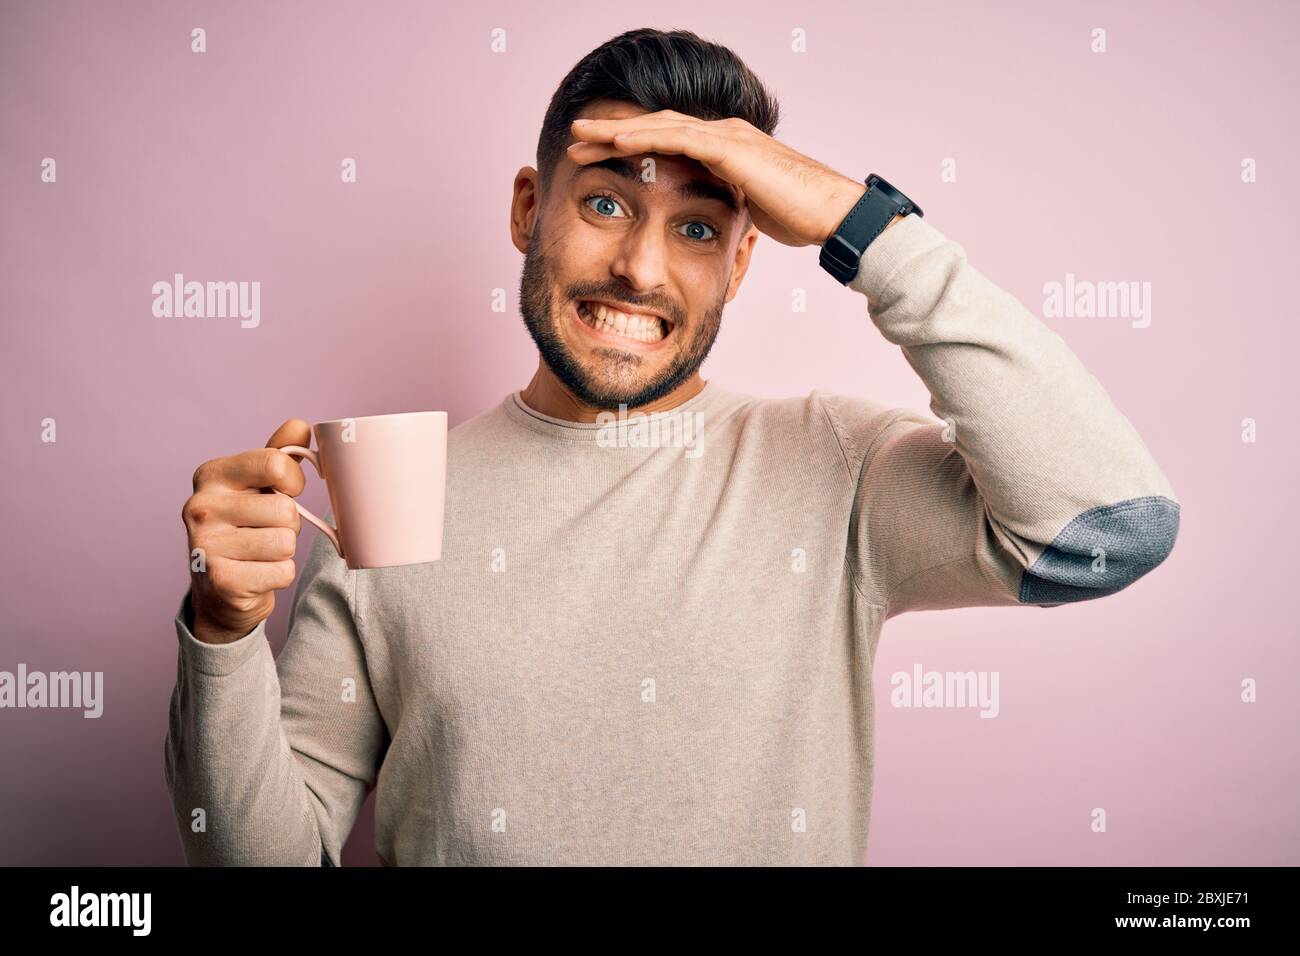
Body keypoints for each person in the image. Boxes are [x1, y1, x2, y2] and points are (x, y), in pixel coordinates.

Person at [165, 28, 1179, 866]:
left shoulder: (836, 468)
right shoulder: (391, 501)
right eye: (604, 203)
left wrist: (858, 221)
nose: (640, 268)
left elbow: (1108, 528)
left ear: (743, 262)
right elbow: (267, 857)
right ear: (530, 208)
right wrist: (222, 629)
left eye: (697, 229)